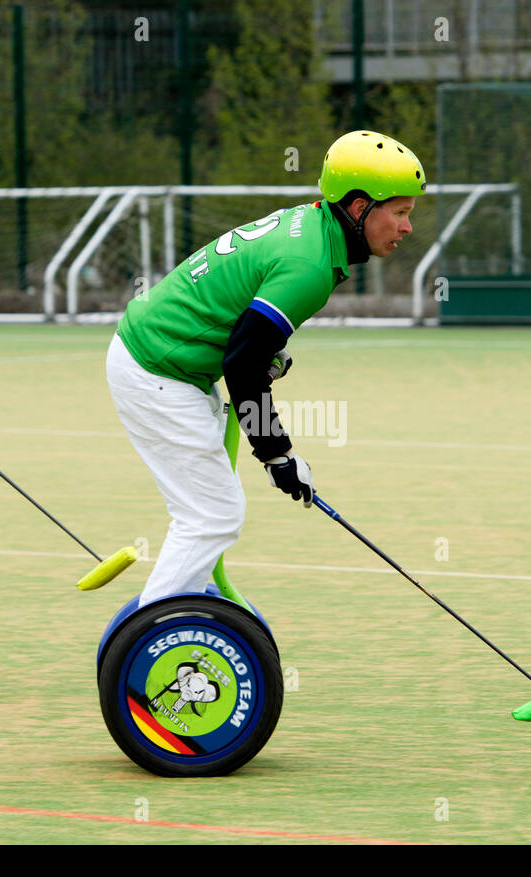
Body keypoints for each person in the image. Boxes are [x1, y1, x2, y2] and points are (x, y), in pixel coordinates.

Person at [107, 130, 425, 603]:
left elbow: (246, 342)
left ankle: (173, 623)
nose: (407, 227)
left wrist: (262, 355)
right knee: (212, 516)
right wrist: (278, 454)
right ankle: (156, 638)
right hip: (156, 370)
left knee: (209, 512)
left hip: (172, 365)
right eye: (399, 212)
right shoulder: (310, 266)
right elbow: (242, 366)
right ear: (359, 209)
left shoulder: (312, 228)